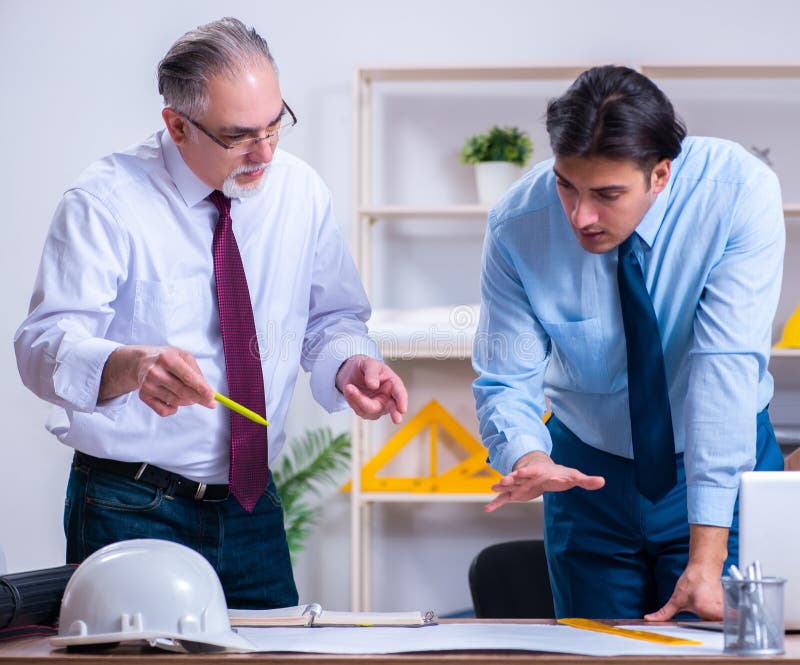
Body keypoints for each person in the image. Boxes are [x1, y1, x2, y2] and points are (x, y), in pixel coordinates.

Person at [14, 17, 407, 609]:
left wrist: (352, 363)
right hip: (131, 505)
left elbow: (333, 318)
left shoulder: (300, 192)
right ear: (176, 124)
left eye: (276, 126)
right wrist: (126, 365)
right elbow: (41, 346)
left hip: (253, 505)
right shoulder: (105, 201)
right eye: (239, 135)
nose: (265, 151)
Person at [472, 65, 785, 620]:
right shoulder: (518, 224)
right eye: (566, 185)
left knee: (719, 655)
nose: (580, 216)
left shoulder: (738, 193)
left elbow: (724, 370)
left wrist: (707, 557)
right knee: (593, 654)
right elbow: (507, 375)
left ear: (660, 174)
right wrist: (529, 455)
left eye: (607, 194)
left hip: (720, 462)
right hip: (585, 474)